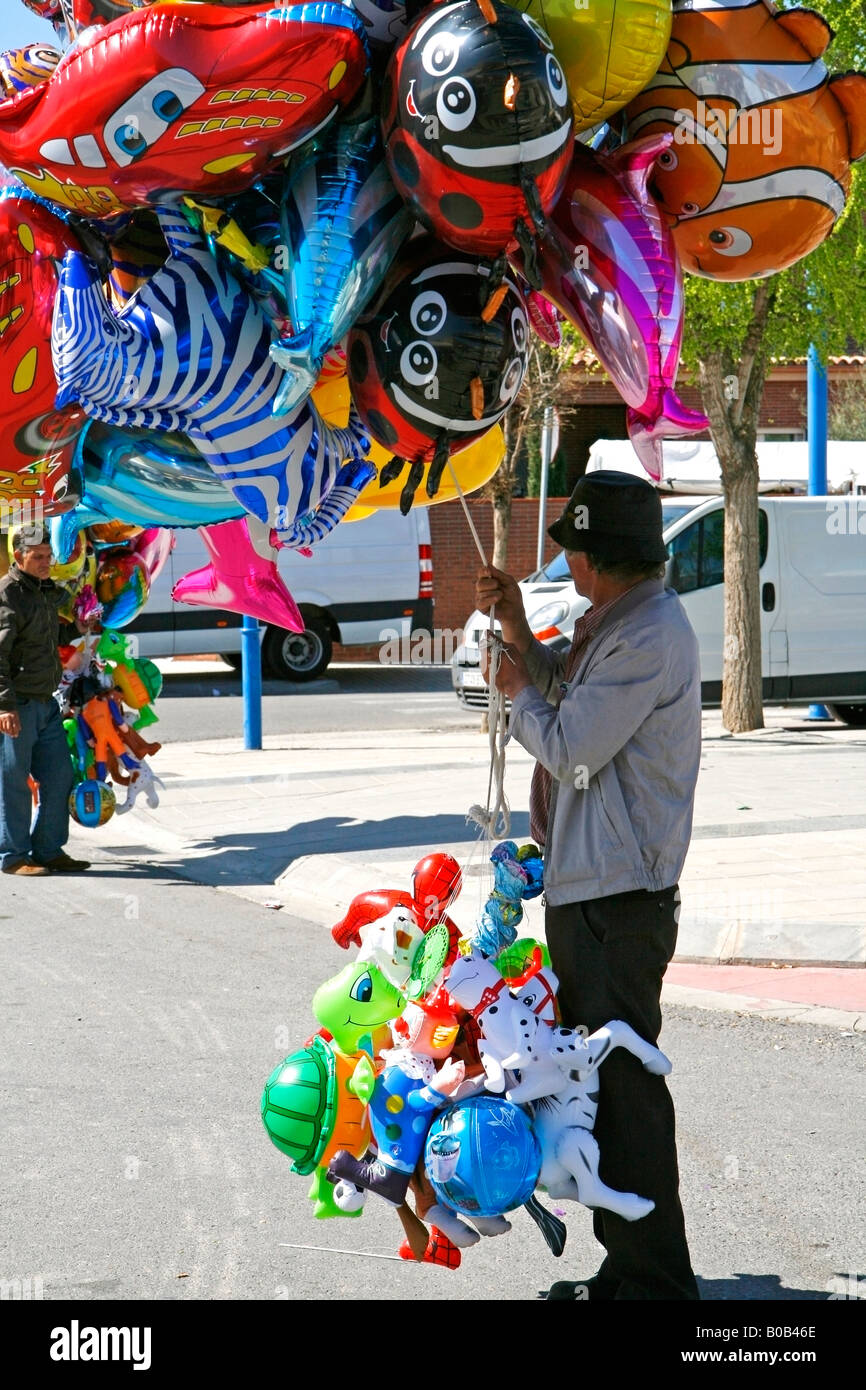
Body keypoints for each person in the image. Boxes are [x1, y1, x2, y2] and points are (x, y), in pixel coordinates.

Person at [475, 470, 701, 1301]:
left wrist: (515, 696)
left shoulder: (647, 634)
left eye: (574, 550)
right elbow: (566, 686)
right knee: (595, 1085)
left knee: (625, 1090)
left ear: (601, 559)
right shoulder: (619, 618)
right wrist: (517, 635)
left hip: (618, 900)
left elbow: (570, 743)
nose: (567, 565)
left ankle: (656, 1284)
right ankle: (632, 1268)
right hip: (593, 890)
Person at [0, 525, 93, 875]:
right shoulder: (8, 594)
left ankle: (49, 849)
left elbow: (48, 636)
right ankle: (13, 857)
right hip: (17, 705)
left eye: (48, 556)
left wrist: (77, 629)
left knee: (59, 776)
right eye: (38, 557)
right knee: (13, 782)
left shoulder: (43, 591)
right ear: (18, 557)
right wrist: (4, 706)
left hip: (45, 702)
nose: (46, 563)